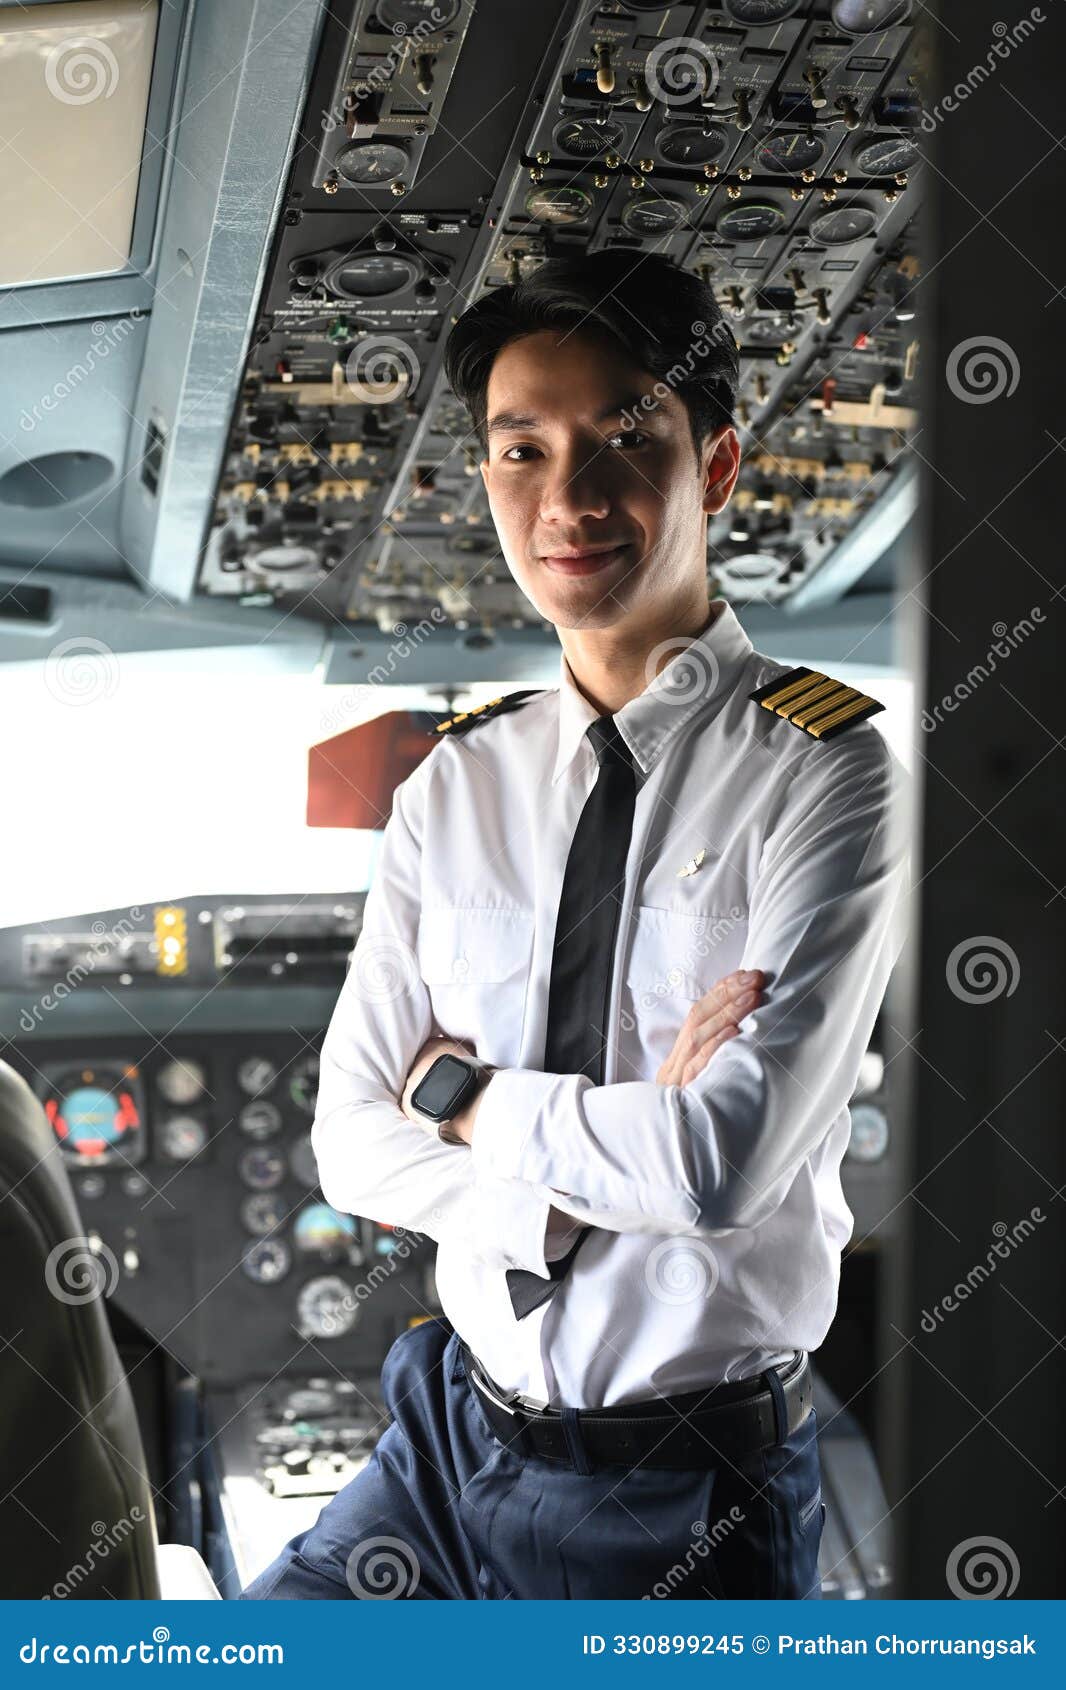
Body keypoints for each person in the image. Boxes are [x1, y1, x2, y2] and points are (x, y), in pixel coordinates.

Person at [240, 249, 907, 1601]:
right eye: (519, 451)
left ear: (711, 465)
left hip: (682, 1490)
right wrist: (604, 1149)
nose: (568, 499)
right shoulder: (456, 783)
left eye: (620, 438)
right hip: (443, 1431)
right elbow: (353, 1140)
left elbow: (716, 1164)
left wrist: (465, 1095)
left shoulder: (824, 768)